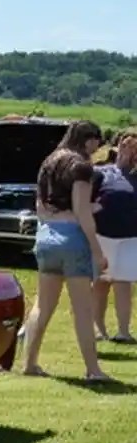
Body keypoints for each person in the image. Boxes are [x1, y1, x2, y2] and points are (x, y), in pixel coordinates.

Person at [20, 120, 114, 382]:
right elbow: (82, 210)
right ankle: (93, 370)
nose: (98, 146)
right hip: (72, 239)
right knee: (82, 309)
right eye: (97, 140)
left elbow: (40, 205)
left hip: (46, 237)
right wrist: (97, 250)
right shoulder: (81, 167)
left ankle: (29, 362)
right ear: (88, 140)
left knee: (43, 305)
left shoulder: (48, 162)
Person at [92, 129, 137, 343]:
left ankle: (123, 331)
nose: (129, 151)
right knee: (101, 282)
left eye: (134, 147)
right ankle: (98, 328)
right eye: (126, 145)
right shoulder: (102, 172)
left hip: (130, 237)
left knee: (123, 283)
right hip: (102, 235)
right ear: (117, 146)